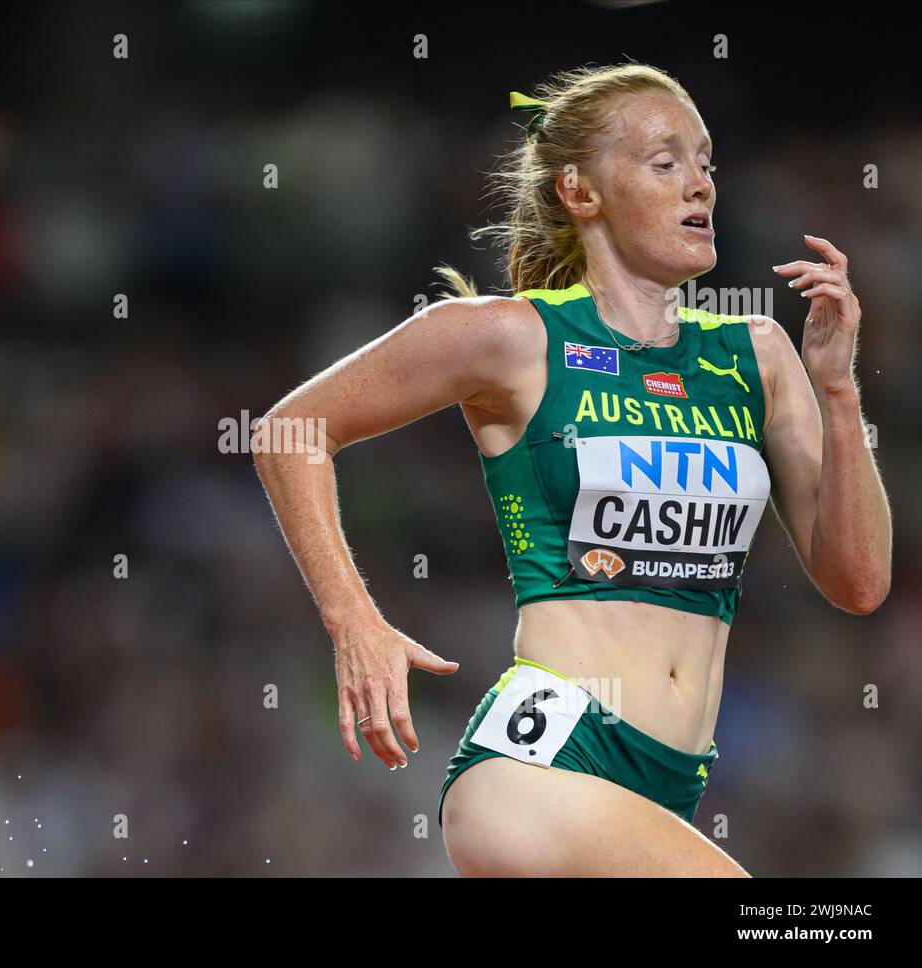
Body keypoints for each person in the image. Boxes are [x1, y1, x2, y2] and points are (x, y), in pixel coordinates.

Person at [251, 62, 891, 876]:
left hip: (667, 784)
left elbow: (859, 581)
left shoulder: (755, 353)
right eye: (665, 163)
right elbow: (290, 430)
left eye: (706, 163)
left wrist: (837, 391)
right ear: (581, 193)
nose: (700, 183)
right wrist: (355, 623)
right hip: (540, 766)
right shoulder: (512, 338)